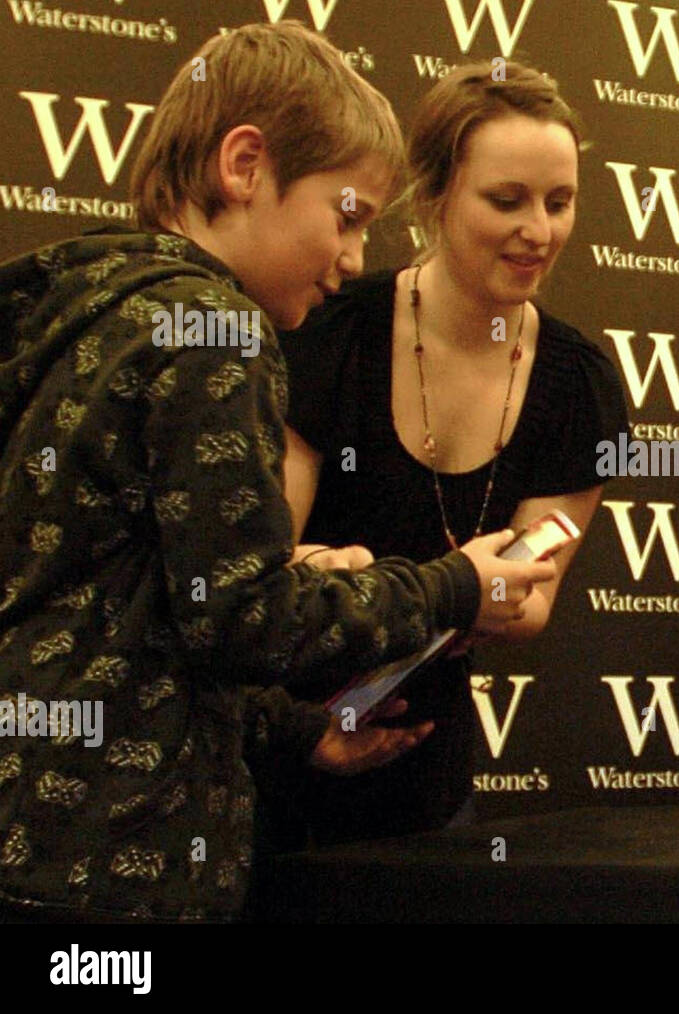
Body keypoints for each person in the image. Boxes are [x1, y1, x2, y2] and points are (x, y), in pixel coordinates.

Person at [0, 22, 553, 923]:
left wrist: (300, 732)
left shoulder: (87, 311)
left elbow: (135, 632)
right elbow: (246, 622)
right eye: (348, 215)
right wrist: (458, 585)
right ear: (246, 165)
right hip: (127, 877)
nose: (353, 259)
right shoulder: (217, 332)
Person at [271, 60, 628, 846]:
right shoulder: (332, 332)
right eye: (507, 201)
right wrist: (445, 588)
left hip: (428, 780)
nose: (539, 230)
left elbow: (534, 601)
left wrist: (490, 599)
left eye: (559, 202)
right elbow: (267, 568)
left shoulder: (579, 381)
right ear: (433, 197)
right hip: (278, 756)